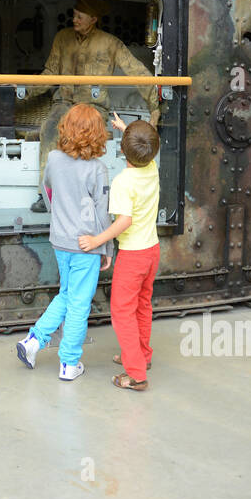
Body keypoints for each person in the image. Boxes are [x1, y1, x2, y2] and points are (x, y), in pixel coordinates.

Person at [30, 0, 159, 212]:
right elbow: (51, 72)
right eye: (74, 14)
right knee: (50, 130)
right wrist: (24, 91)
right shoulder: (62, 38)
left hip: (94, 106)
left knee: (87, 136)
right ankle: (46, 196)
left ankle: (85, 195)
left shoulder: (111, 44)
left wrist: (154, 107)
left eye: (80, 16)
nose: (74, 19)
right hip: (63, 102)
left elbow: (136, 72)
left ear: (93, 19)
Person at [15, 104, 114, 381]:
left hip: (60, 241)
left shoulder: (55, 159)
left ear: (65, 129)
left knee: (67, 295)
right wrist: (107, 248)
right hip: (87, 244)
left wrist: (58, 216)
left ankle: (33, 341)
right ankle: (69, 363)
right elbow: (102, 212)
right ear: (97, 135)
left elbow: (47, 190)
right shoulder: (98, 169)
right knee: (80, 305)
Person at [79, 116, 161, 392]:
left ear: (122, 151)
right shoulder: (151, 167)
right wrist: (128, 130)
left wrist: (96, 240)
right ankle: (141, 356)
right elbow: (143, 148)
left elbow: (123, 221)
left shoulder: (123, 181)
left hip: (133, 255)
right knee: (142, 305)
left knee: (121, 312)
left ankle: (136, 374)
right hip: (152, 250)